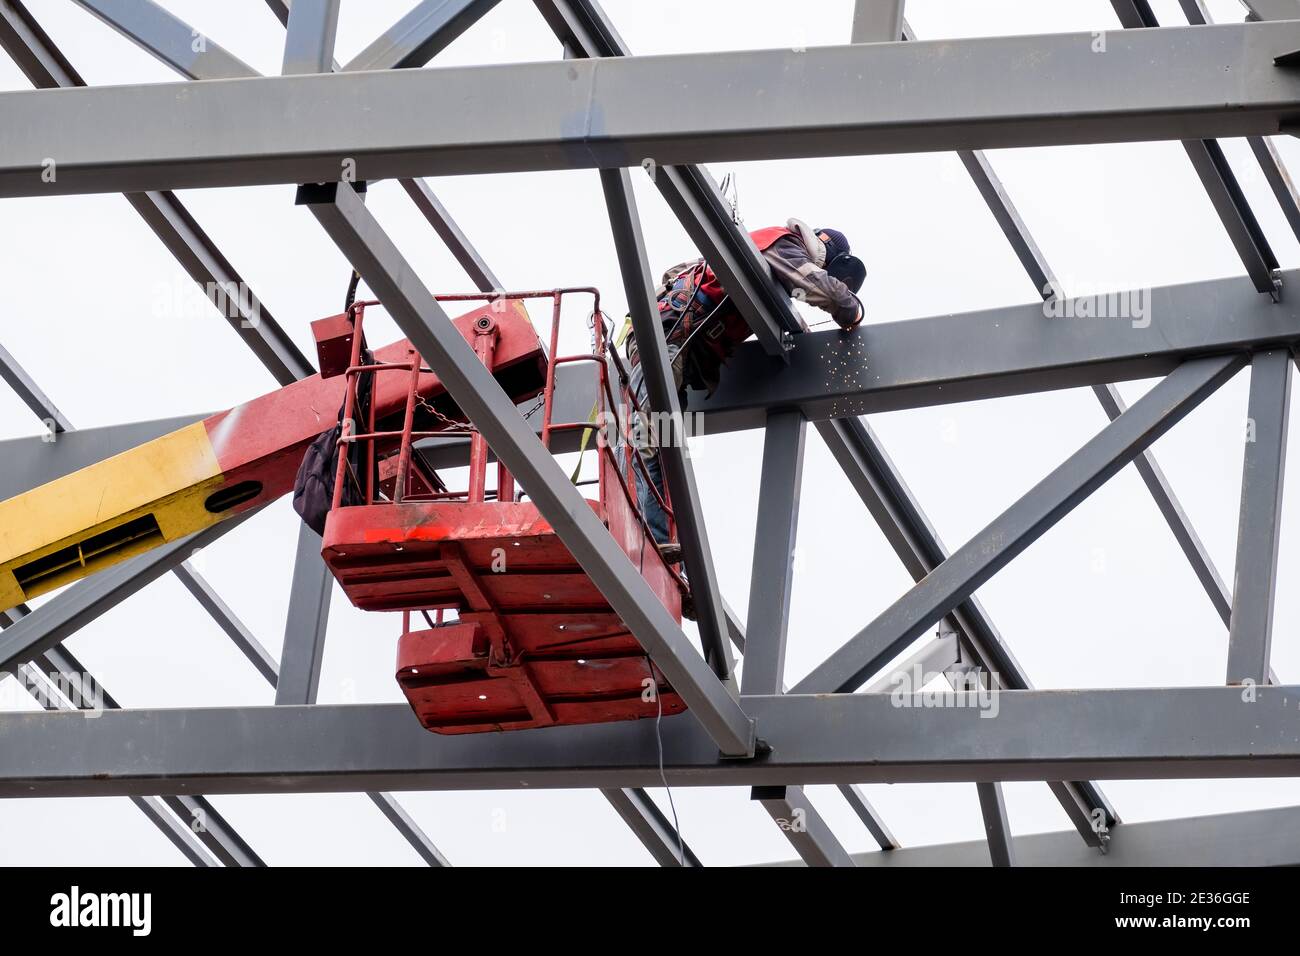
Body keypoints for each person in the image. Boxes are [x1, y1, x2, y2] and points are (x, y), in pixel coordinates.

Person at [622, 219, 867, 559]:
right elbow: (820, 286)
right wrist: (851, 308)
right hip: (665, 339)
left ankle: (663, 555)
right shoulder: (780, 243)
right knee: (644, 435)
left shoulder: (769, 283)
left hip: (680, 350)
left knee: (667, 450)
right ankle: (630, 533)